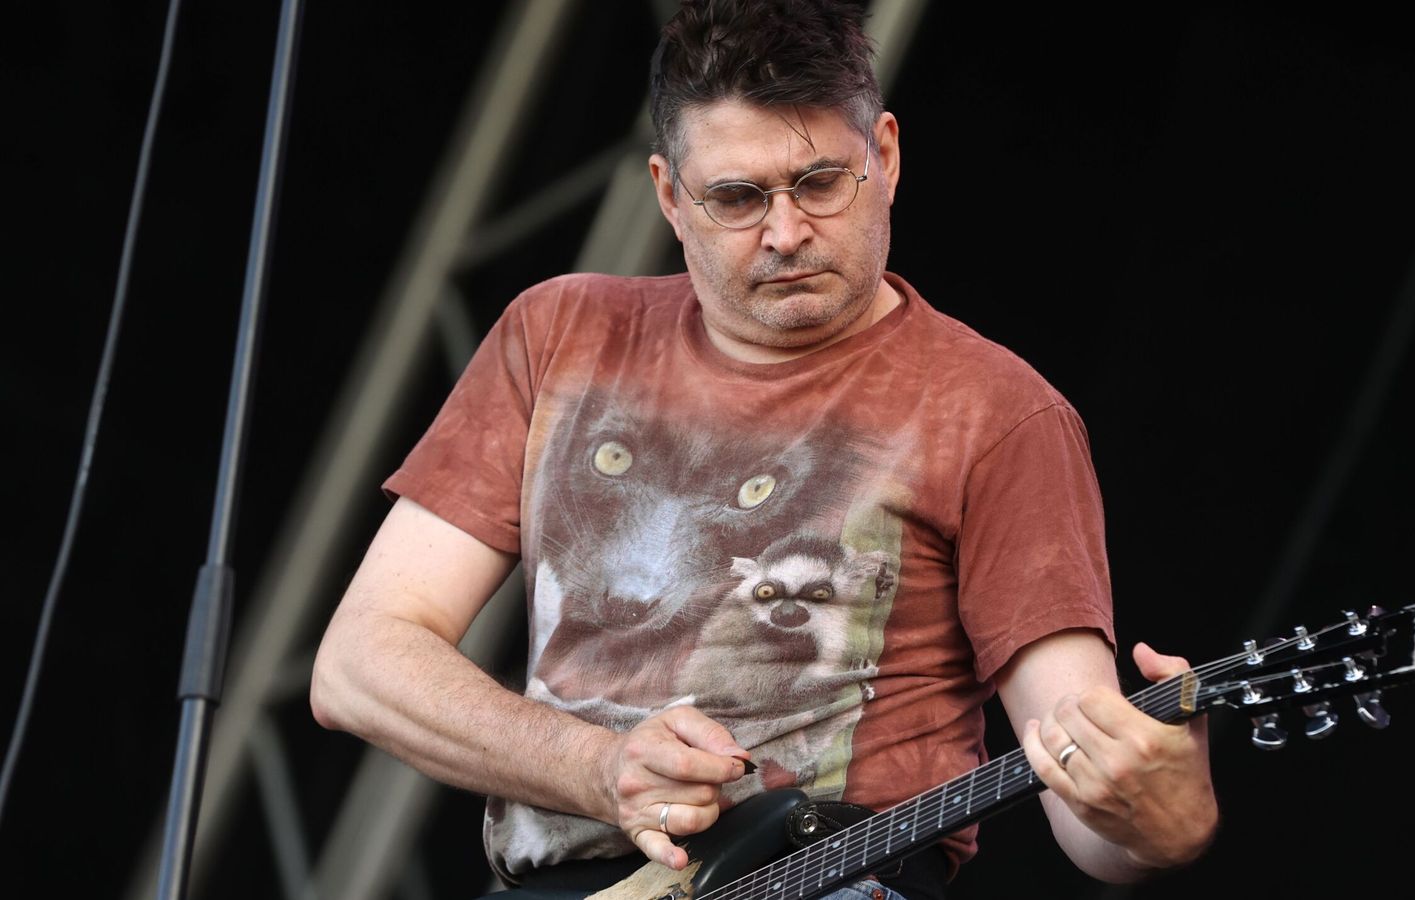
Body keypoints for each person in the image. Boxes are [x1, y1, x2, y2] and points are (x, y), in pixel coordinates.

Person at [309, 2, 1218, 898]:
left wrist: (1156, 814)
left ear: (886, 156)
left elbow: (1080, 781)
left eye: (821, 183)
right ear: (669, 194)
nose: (786, 233)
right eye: (737, 198)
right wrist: (598, 769)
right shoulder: (560, 334)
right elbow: (359, 663)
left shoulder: (1000, 412)